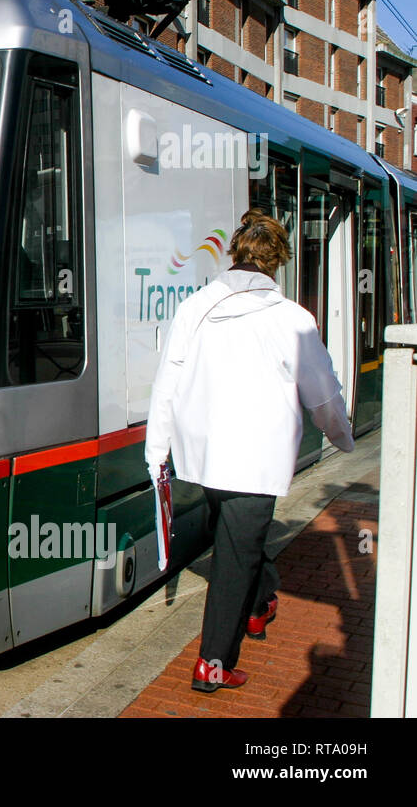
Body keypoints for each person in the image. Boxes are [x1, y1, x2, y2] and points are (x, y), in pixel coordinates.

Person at [144, 207, 354, 693]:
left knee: (238, 539)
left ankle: (259, 608)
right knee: (235, 558)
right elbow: (322, 395)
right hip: (255, 461)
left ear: (234, 254)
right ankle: (212, 664)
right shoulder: (293, 320)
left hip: (203, 457)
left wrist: (158, 453)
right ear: (277, 262)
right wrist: (342, 436)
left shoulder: (195, 306)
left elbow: (167, 382)